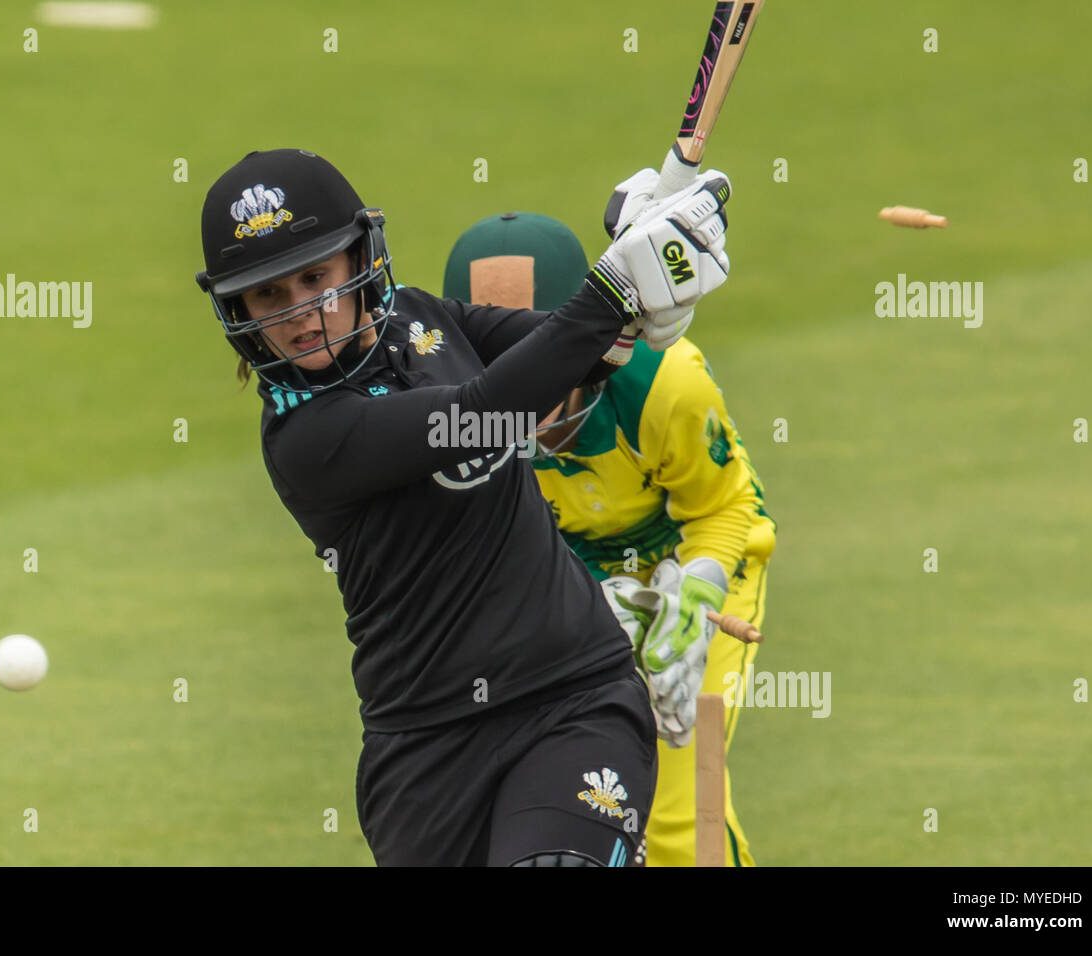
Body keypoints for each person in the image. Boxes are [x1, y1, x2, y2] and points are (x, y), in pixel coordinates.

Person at [194, 148, 733, 866]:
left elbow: (565, 355)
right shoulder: (307, 438)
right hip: (424, 750)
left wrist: (637, 290)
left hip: (572, 696)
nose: (302, 312)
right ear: (240, 311)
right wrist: (616, 286)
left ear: (360, 258)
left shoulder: (423, 319)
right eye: (270, 296)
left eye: (315, 278)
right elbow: (483, 411)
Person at [442, 204, 775, 867]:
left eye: (539, 355)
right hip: (567, 588)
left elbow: (724, 510)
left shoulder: (664, 383)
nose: (521, 391)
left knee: (678, 813)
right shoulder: (450, 415)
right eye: (497, 359)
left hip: (702, 563)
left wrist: (697, 605)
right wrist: (583, 611)